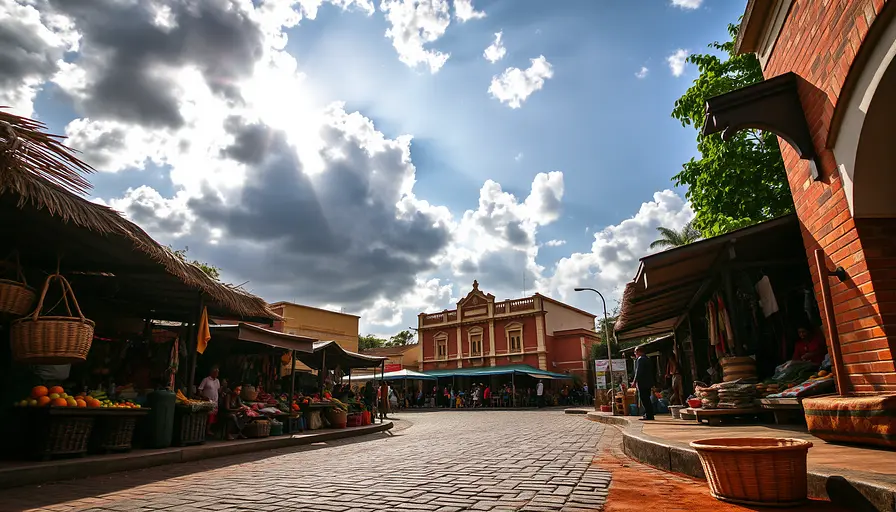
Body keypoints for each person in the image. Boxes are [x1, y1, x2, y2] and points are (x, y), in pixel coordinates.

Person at [631, 346, 655, 421]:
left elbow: (639, 371)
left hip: (643, 382)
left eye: (635, 352)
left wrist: (634, 381)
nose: (635, 354)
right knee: (647, 398)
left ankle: (648, 415)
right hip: (648, 382)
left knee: (644, 399)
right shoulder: (647, 359)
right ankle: (649, 414)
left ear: (639, 352)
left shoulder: (640, 359)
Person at [198, 367, 220, 436]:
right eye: (215, 372)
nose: (217, 374)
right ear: (212, 373)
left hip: (215, 401)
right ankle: (204, 430)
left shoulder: (217, 381)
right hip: (207, 401)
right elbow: (200, 389)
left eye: (217, 373)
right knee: (207, 416)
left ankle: (208, 430)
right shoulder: (206, 380)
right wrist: (203, 396)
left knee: (212, 417)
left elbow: (218, 390)